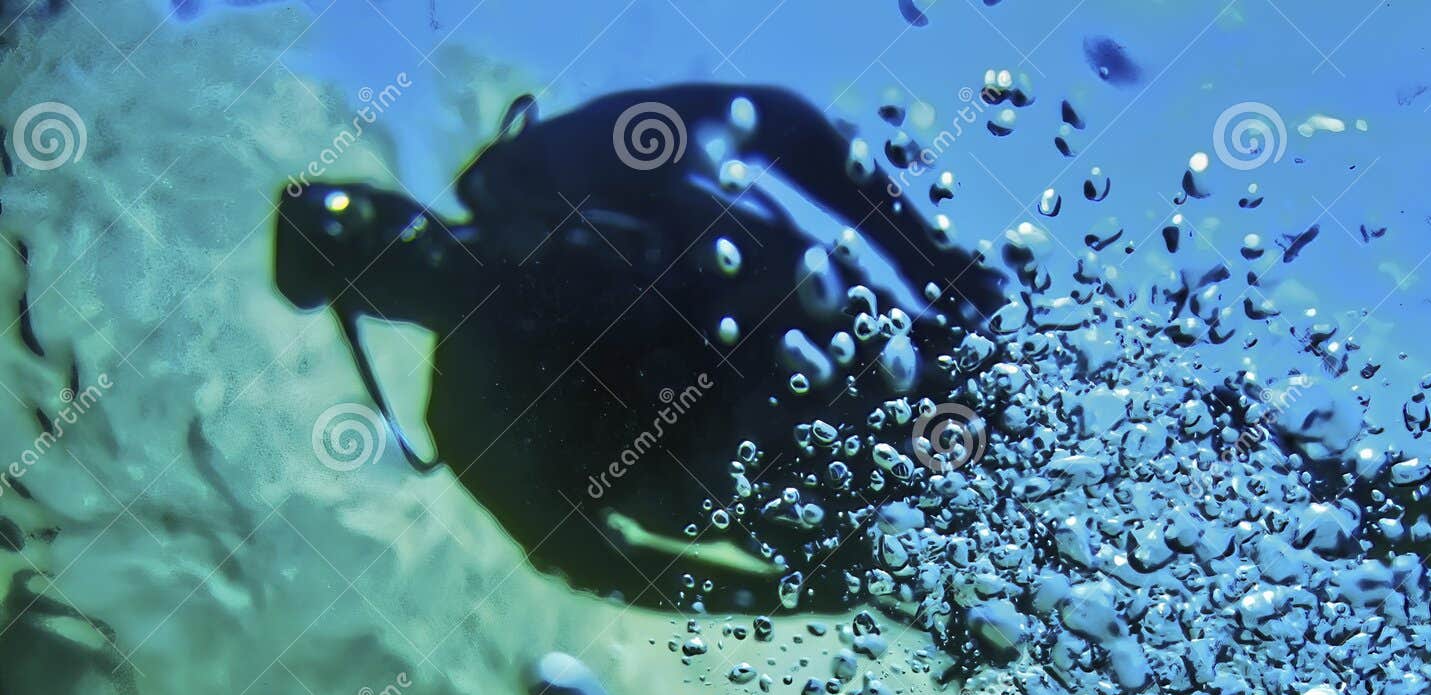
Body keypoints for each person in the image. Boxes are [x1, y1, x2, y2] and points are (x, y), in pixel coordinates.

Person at [274, 83, 1008, 611]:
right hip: (837, 518)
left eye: (359, 216)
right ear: (363, 311)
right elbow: (593, 563)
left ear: (399, 199)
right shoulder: (469, 421)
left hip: (903, 375)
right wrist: (804, 591)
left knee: (1036, 463)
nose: (370, 242)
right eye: (351, 262)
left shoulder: (543, 172)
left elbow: (766, 120)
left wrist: (929, 259)